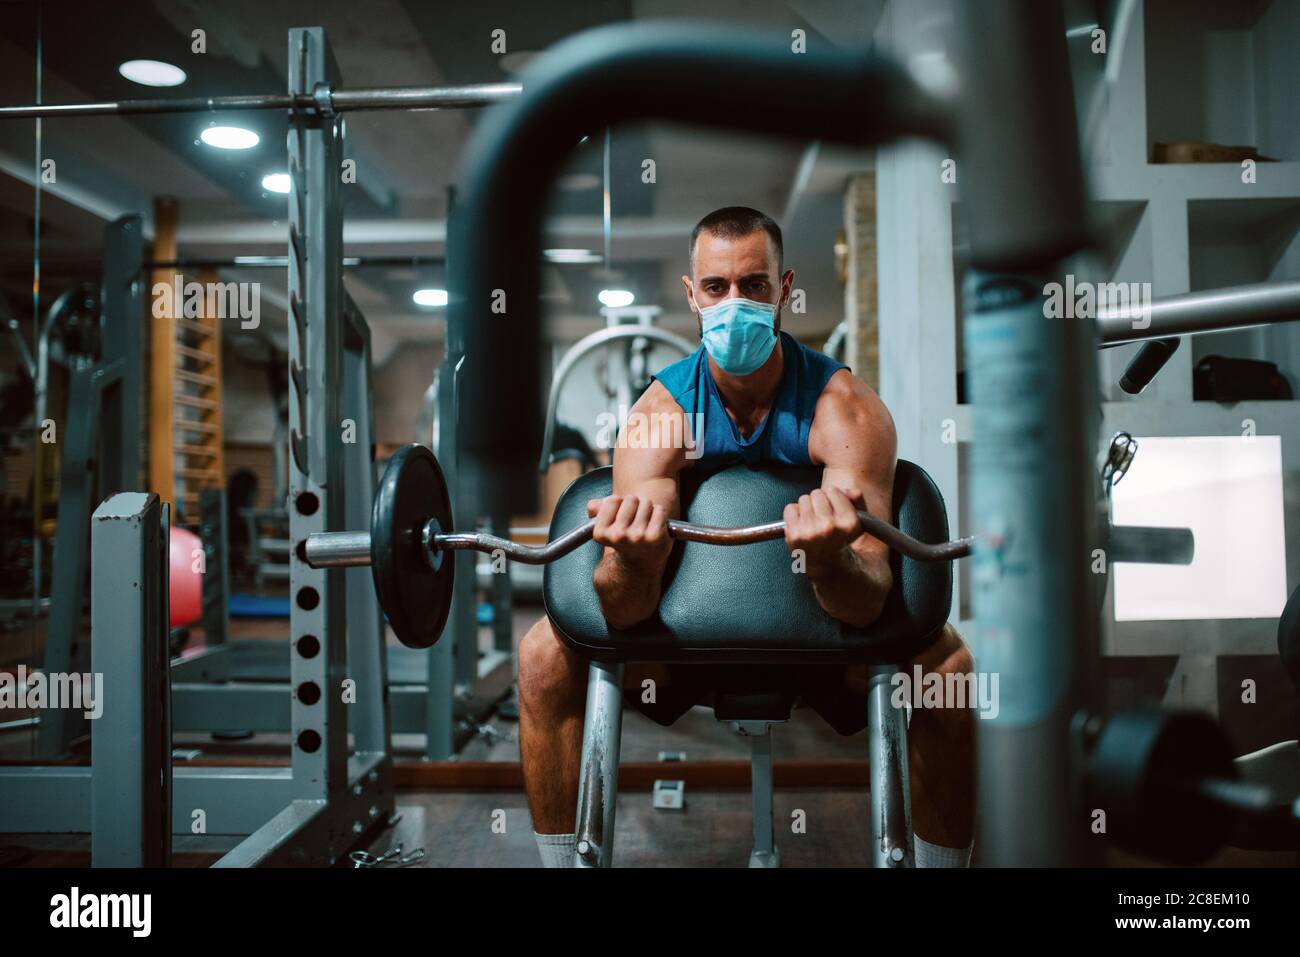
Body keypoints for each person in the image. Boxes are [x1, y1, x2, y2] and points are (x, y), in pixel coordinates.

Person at [518, 206, 975, 867]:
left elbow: (869, 598)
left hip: (825, 646)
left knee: (950, 672)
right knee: (540, 658)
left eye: (753, 286)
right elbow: (622, 608)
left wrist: (827, 560)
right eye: (716, 287)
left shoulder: (845, 409)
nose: (734, 304)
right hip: (684, 648)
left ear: (785, 288)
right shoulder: (659, 416)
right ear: (691, 295)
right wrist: (633, 564)